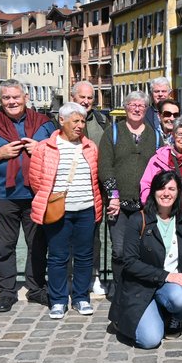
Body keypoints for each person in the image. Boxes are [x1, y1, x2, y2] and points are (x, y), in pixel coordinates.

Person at [0, 79, 54, 313]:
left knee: (38, 245)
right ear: (0, 101)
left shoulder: (43, 124)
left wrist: (39, 149)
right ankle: (7, 292)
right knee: (5, 246)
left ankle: (36, 288)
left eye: (16, 97)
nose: (12, 101)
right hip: (5, 194)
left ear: (26, 97)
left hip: (37, 194)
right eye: (6, 98)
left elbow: (58, 152)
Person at [29, 102, 102, 319]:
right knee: (58, 256)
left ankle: (80, 297)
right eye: (75, 121)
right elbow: (36, 180)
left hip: (86, 208)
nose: (80, 125)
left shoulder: (90, 147)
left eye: (82, 121)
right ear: (62, 121)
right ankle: (58, 300)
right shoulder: (45, 148)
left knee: (84, 256)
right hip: (58, 210)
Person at [110, 171, 182, 348]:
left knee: (180, 298)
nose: (166, 193)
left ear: (178, 192)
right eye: (161, 188)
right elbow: (130, 262)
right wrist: (167, 276)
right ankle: (130, 318)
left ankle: (170, 313)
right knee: (149, 340)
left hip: (168, 287)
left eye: (172, 189)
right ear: (153, 191)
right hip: (140, 286)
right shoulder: (137, 220)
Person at [98, 91, 160, 298]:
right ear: (125, 107)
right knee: (119, 250)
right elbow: (105, 166)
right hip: (119, 204)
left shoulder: (155, 135)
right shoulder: (112, 132)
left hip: (146, 204)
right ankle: (120, 288)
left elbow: (160, 168)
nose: (136, 108)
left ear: (146, 109)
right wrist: (113, 195)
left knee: (144, 249)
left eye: (141, 105)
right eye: (132, 105)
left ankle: (140, 289)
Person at [69, 80, 109, 296]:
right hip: (66, 190)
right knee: (65, 238)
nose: (85, 101)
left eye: (90, 97)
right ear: (72, 96)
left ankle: (93, 276)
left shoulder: (102, 121)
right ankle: (68, 278)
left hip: (95, 189)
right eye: (81, 97)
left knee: (93, 237)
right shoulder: (61, 120)